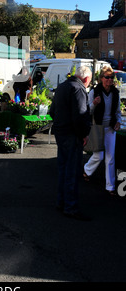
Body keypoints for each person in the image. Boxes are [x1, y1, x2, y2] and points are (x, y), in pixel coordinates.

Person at [49, 65, 92, 220]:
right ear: (86, 78)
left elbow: (52, 111)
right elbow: (80, 116)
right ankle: (70, 206)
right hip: (72, 135)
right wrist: (84, 135)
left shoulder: (62, 86)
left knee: (63, 169)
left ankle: (61, 202)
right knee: (72, 172)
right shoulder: (79, 89)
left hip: (60, 133)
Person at [83, 66, 121, 196]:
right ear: (101, 79)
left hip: (110, 127)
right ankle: (87, 170)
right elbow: (88, 111)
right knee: (99, 155)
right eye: (107, 77)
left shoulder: (115, 93)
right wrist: (94, 103)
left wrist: (118, 121)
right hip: (97, 126)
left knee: (110, 157)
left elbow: (118, 111)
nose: (110, 80)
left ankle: (110, 186)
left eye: (111, 77)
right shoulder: (94, 91)